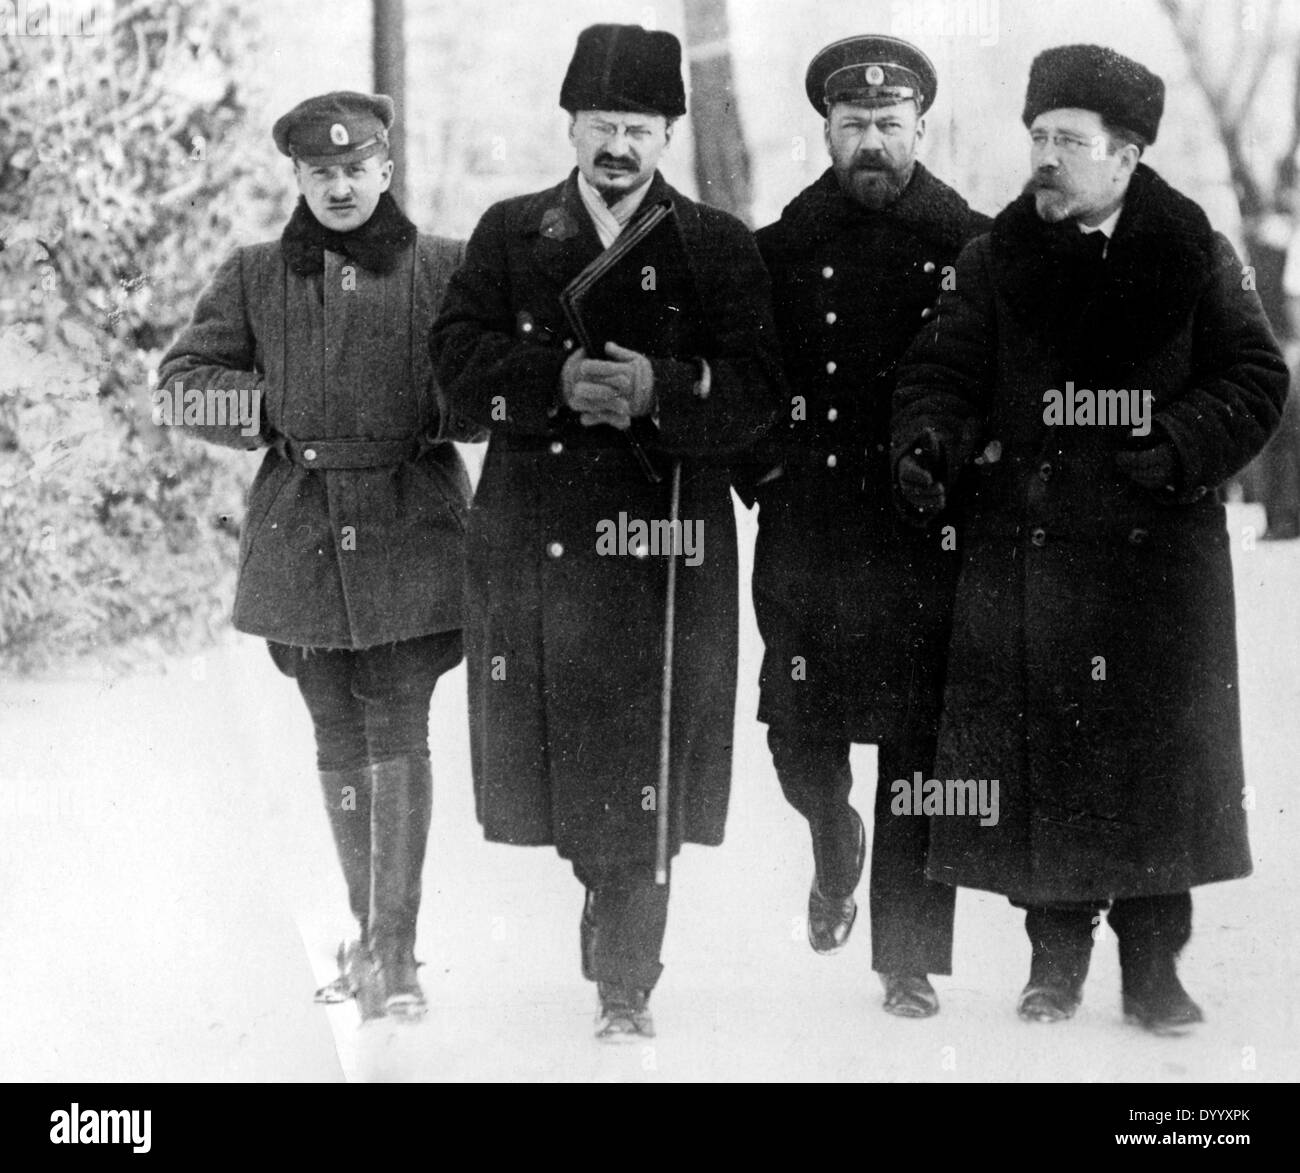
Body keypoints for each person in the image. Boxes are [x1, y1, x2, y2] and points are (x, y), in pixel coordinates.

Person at [892, 45, 1288, 1032]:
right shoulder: (993, 260)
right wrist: (929, 446)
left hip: (1156, 553)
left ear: (1127, 154)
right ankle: (1053, 962)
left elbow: (1253, 377)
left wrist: (1182, 441)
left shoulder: (1195, 250)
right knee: (1044, 761)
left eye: (1068, 141)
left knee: (1157, 767)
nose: (1045, 158)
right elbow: (939, 376)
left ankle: (1155, 970)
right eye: (1037, 137)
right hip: (1030, 549)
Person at [431, 23, 783, 1041]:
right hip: (537, 535)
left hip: (663, 540)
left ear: (668, 131)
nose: (615, 147)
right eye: (598, 125)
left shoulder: (716, 244)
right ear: (571, 128)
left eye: (635, 126)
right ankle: (602, 882)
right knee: (560, 753)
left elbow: (760, 390)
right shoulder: (510, 232)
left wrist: (660, 390)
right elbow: (454, 358)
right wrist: (548, 382)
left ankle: (627, 978)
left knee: (646, 754)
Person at [157, 92, 478, 1019]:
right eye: (320, 172)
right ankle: (370, 934)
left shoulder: (445, 267)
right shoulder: (257, 275)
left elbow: (492, 379)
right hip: (300, 537)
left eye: (356, 169)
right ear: (297, 177)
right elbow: (182, 387)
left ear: (386, 169)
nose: (340, 187)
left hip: (412, 527)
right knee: (335, 733)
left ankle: (397, 951)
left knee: (397, 728)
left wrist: (439, 412)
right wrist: (270, 411)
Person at [737, 35, 988, 1019]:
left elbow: (986, 383)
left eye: (889, 124)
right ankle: (832, 841)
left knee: (920, 752)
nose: (872, 140)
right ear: (827, 132)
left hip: (922, 530)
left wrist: (952, 464)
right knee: (798, 737)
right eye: (854, 126)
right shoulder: (777, 251)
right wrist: (763, 468)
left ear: (918, 127)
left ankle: (908, 959)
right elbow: (745, 383)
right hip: (809, 532)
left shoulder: (972, 245)